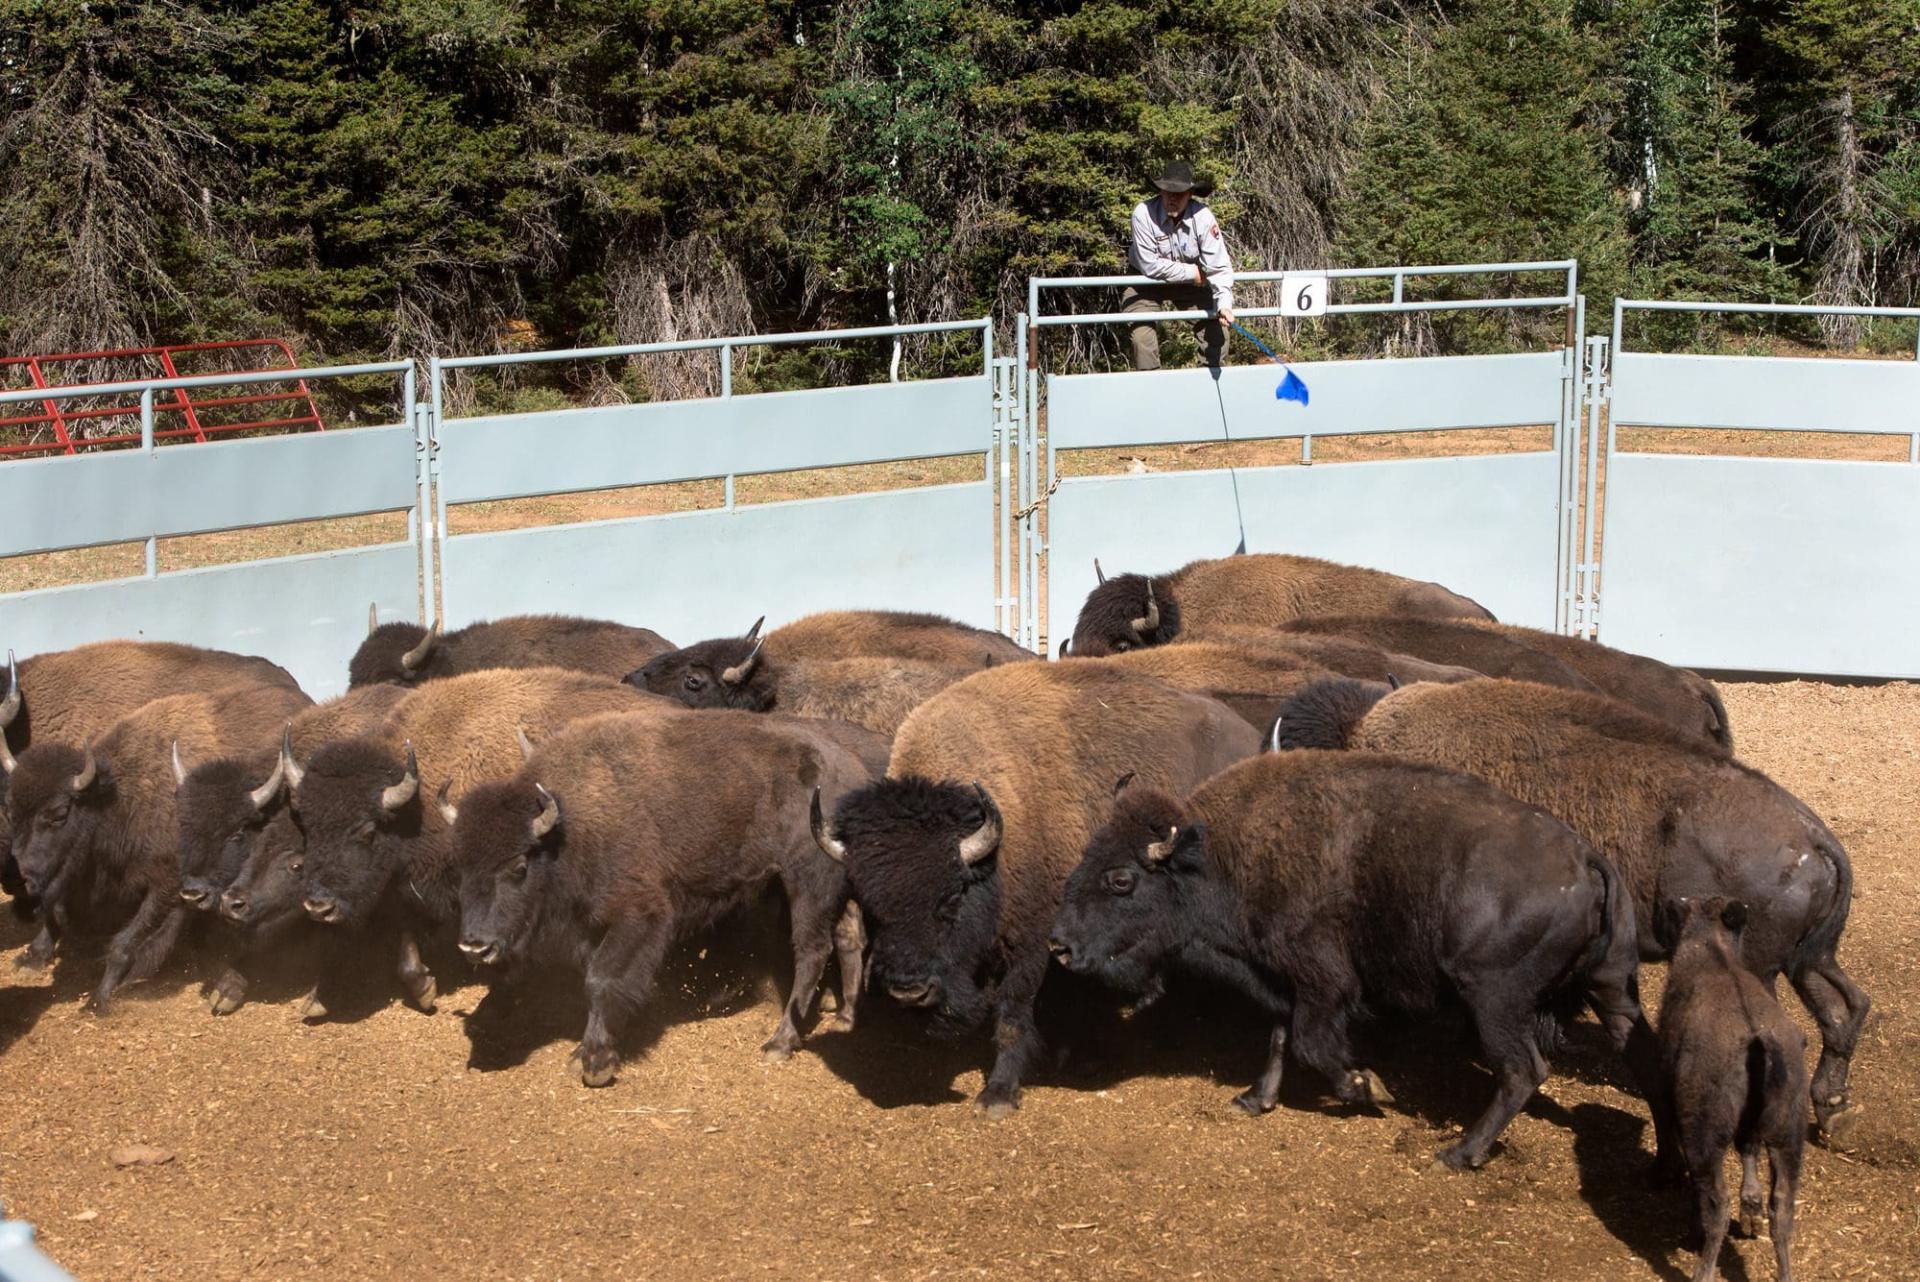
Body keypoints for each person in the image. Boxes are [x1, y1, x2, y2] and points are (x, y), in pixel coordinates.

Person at [1122, 161, 1235, 370]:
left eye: (1179, 193)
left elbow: (1219, 265)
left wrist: (1224, 304)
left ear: (1191, 194)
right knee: (1141, 338)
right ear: (1160, 191)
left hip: (1190, 284)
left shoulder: (1202, 217)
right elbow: (1150, 265)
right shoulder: (1143, 213)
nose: (1172, 198)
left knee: (1218, 334)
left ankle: (1205, 390)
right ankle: (1154, 392)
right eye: (1167, 192)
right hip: (1145, 282)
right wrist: (1194, 272)